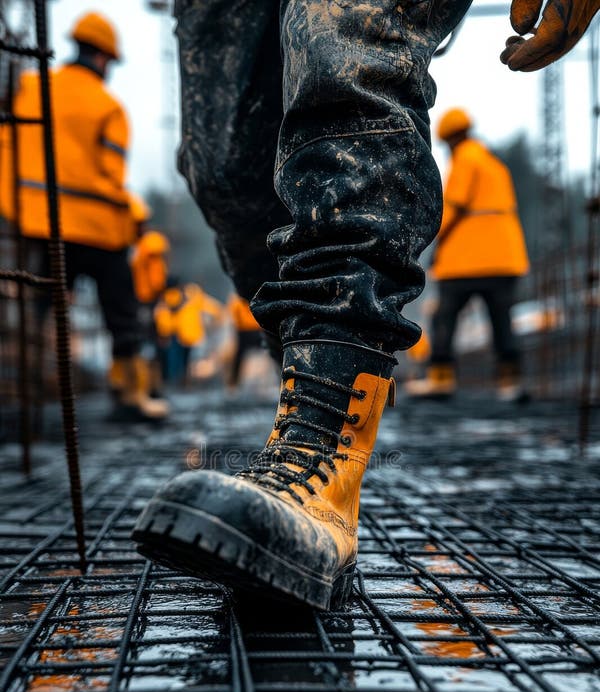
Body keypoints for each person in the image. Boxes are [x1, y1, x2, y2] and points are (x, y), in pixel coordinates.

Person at [133, 0, 600, 608]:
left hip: (475, 258)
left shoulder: (478, 166)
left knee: (349, 64)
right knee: (225, 166)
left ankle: (322, 455)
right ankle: (305, 384)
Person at [0, 12, 168, 422]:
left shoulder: (31, 89)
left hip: (39, 224)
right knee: (121, 314)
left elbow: (8, 147)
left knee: (39, 309)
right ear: (104, 58)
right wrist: (136, 215)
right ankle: (130, 397)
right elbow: (112, 177)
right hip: (100, 229)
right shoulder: (108, 106)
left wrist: (19, 210)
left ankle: (23, 397)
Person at [404, 108, 529, 401]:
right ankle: (510, 383)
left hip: (466, 262)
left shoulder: (465, 160)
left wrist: (429, 241)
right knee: (502, 322)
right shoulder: (494, 164)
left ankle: (440, 379)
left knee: (444, 318)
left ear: (450, 139)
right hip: (504, 258)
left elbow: (453, 208)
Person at [153, 278, 223, 383]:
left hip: (175, 334)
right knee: (189, 359)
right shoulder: (191, 294)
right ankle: (185, 379)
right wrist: (218, 316)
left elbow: (162, 317)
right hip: (191, 333)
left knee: (174, 359)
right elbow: (211, 307)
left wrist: (164, 331)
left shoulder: (164, 299)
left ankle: (172, 379)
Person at [226, 292, 264, 389]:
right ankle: (233, 382)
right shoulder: (238, 300)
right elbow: (233, 315)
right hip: (244, 331)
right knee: (238, 357)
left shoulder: (256, 296)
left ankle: (273, 380)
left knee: (270, 353)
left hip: (256, 329)